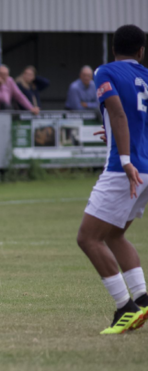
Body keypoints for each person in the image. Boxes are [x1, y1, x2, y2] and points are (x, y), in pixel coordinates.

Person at [75, 24, 148, 335]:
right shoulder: (145, 75)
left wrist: (126, 159)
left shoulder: (105, 71)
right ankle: (143, 299)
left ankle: (124, 307)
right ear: (141, 51)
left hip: (125, 170)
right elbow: (134, 119)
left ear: (113, 47)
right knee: (115, 235)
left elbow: (118, 114)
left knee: (88, 238)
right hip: (146, 169)